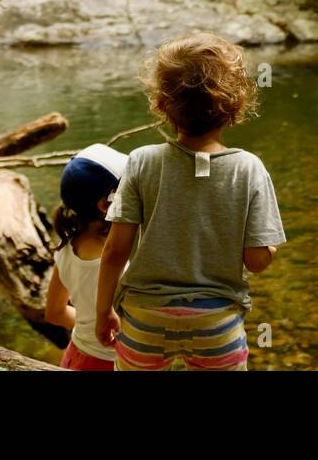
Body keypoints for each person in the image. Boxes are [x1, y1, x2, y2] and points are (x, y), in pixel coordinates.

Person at [95, 31, 286, 371]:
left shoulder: (142, 161)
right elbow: (256, 261)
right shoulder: (248, 168)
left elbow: (114, 251)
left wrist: (102, 312)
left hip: (143, 319)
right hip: (217, 322)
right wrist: (269, 246)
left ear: (161, 104)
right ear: (235, 105)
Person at [44, 143, 128, 371]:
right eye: (129, 188)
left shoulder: (67, 247)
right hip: (110, 364)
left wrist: (88, 323)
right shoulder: (117, 263)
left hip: (76, 356)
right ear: (104, 204)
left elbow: (54, 312)